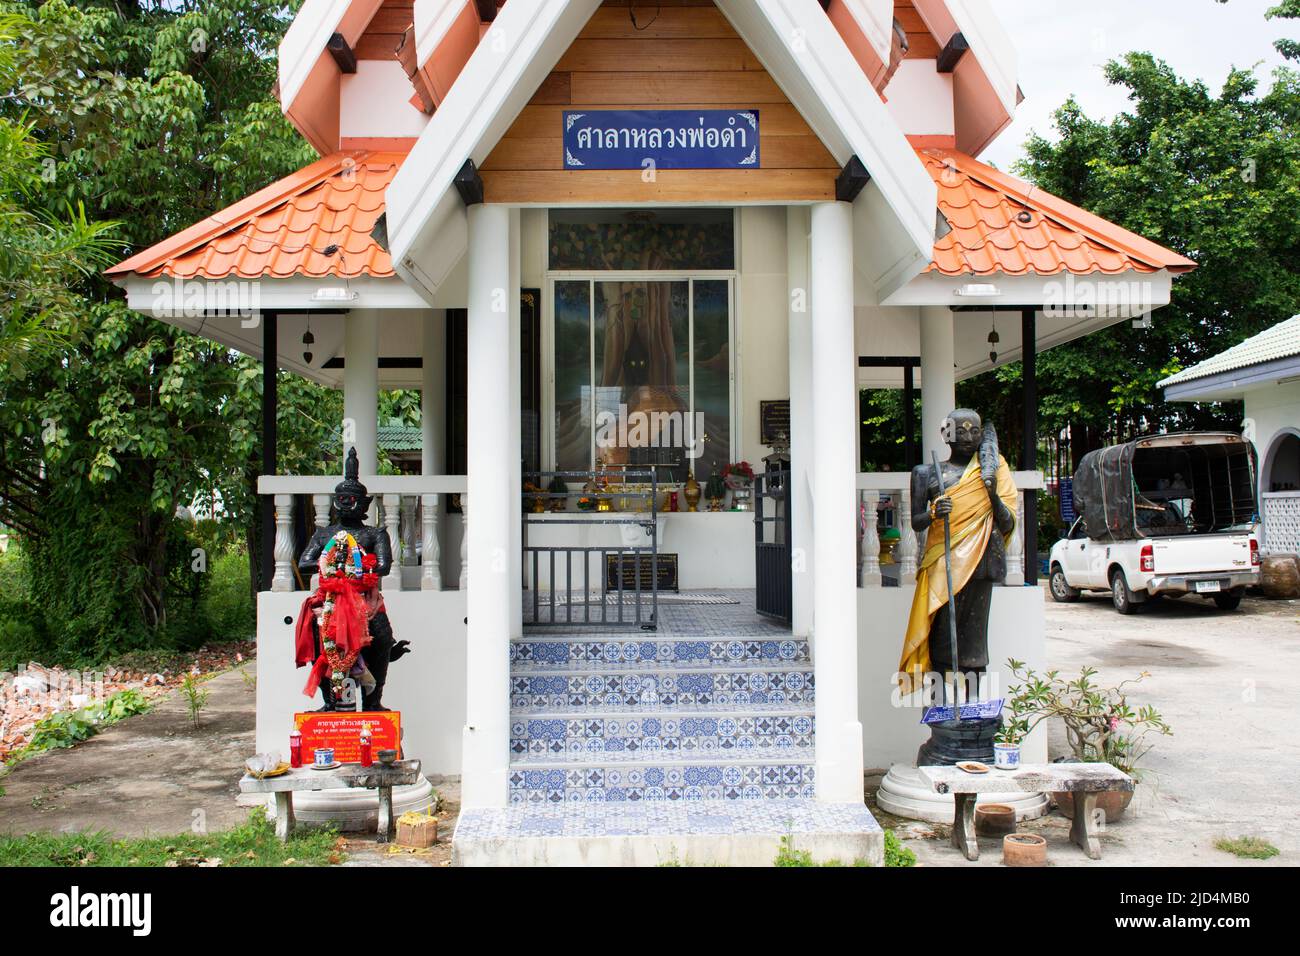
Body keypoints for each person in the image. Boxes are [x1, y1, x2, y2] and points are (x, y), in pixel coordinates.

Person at [898, 409, 1017, 702]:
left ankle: (973, 702)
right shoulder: (926, 473)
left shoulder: (993, 471)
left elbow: (1007, 522)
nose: (967, 437)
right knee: (940, 633)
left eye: (974, 432)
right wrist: (934, 512)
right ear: (947, 434)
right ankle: (939, 703)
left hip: (981, 561)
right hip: (942, 561)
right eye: (960, 431)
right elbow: (916, 521)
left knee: (974, 635)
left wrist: (992, 494)